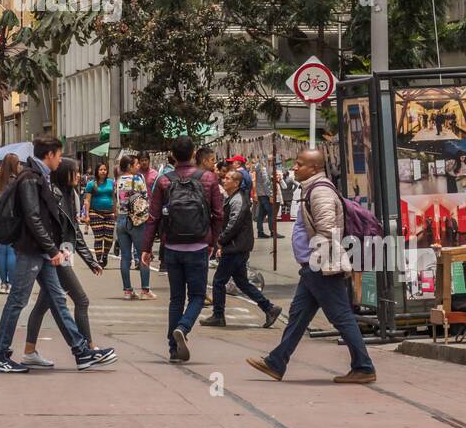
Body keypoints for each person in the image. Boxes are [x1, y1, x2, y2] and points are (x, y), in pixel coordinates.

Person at [246, 148, 377, 385]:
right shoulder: (313, 189)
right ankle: (277, 361)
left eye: (299, 164)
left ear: (314, 168)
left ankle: (364, 366)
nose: (294, 168)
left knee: (341, 317)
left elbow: (327, 228)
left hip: (320, 265)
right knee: (298, 316)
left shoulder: (320, 193)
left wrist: (320, 260)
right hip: (313, 266)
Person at [0, 136, 116, 374]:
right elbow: (33, 218)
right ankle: (0, 354)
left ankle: (81, 352)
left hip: (41, 251)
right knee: (17, 301)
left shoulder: (39, 177)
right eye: (58, 155)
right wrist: (53, 250)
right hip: (31, 250)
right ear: (49, 155)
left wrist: (52, 250)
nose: (60, 160)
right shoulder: (31, 179)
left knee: (57, 300)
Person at [141, 135, 223, 364]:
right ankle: (183, 328)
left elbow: (153, 217)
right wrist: (212, 242)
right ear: (194, 153)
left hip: (172, 247)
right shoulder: (208, 178)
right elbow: (218, 214)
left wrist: (146, 248)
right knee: (197, 295)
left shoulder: (164, 181)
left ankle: (173, 350)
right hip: (198, 246)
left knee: (176, 298)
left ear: (173, 155)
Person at [22, 158, 104, 368]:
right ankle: (89, 349)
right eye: (75, 173)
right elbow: (56, 229)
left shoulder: (68, 194)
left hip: (63, 253)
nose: (78, 176)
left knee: (43, 305)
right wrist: (56, 252)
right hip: (57, 256)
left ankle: (29, 351)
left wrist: (89, 260)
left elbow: (74, 231)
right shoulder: (55, 195)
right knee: (81, 300)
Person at [203, 167, 282, 328]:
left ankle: (218, 315)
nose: (224, 180)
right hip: (238, 247)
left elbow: (234, 224)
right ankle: (269, 308)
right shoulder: (232, 198)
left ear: (237, 183)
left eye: (228, 178)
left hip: (235, 248)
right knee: (242, 282)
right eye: (224, 178)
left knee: (218, 282)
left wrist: (221, 241)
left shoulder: (237, 200)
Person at [113, 155, 153, 301]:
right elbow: (145, 198)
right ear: (130, 166)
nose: (138, 166)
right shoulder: (137, 179)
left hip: (121, 220)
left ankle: (128, 291)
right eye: (136, 164)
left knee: (125, 257)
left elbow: (116, 200)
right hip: (136, 221)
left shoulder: (117, 181)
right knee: (143, 254)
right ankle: (145, 290)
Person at [0, 157, 19, 294]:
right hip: (12, 219)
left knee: (2, 252)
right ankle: (12, 283)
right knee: (11, 252)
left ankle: (3, 283)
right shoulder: (15, 180)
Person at [83, 162, 116, 267]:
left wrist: (116, 212)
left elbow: (115, 198)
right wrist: (87, 215)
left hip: (109, 213)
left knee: (109, 238)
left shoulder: (111, 183)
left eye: (105, 169)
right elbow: (87, 201)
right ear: (97, 171)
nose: (103, 171)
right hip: (95, 213)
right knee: (99, 237)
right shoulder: (91, 184)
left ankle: (105, 254)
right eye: (101, 169)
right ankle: (99, 260)